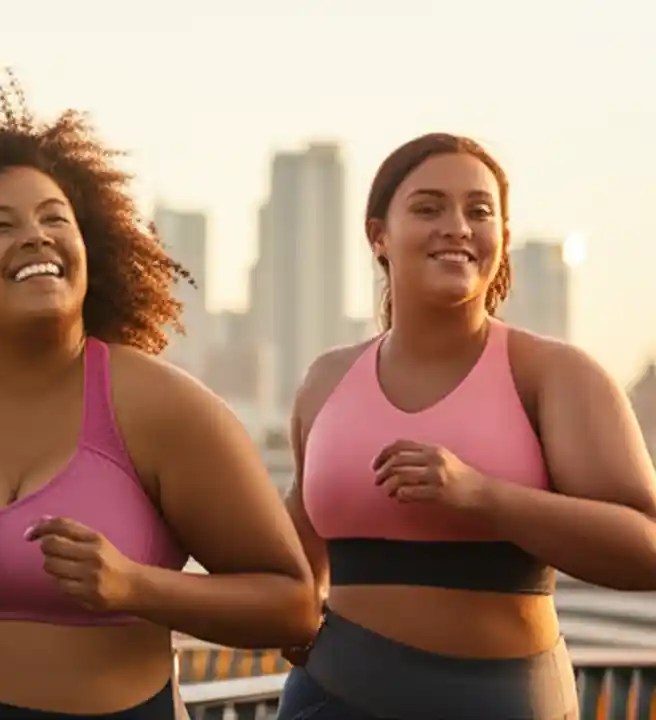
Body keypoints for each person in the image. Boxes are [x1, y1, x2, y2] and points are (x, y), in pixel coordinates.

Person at [0, 67, 317, 720]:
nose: (35, 235)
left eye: (55, 218)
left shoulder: (162, 406)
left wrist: (134, 586)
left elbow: (291, 605)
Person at [277, 132, 656, 719]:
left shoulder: (555, 375)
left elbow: (647, 549)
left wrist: (482, 495)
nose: (456, 225)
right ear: (379, 235)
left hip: (500, 704)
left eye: (478, 211)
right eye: (428, 208)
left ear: (502, 238)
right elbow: (297, 552)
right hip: (331, 699)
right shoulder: (326, 381)